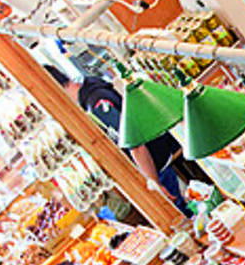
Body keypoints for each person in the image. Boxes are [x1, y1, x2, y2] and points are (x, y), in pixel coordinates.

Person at [43, 65, 187, 210]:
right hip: (157, 155)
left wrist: (154, 183)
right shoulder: (90, 87)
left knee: (182, 212)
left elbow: (134, 144)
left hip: (155, 162)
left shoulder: (96, 103)